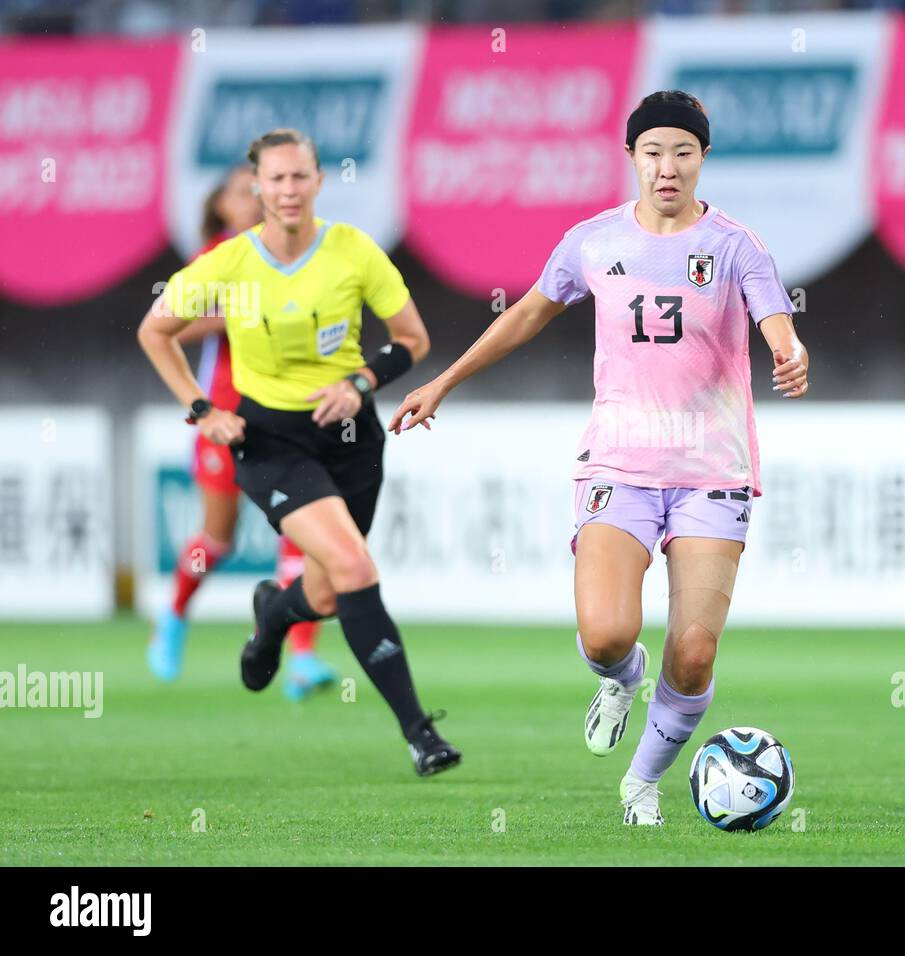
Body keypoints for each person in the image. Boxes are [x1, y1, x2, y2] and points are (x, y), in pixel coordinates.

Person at [390, 91, 808, 821]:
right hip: (620, 467)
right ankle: (621, 678)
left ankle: (641, 783)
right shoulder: (594, 241)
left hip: (712, 474)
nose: (668, 167)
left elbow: (775, 315)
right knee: (608, 633)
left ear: (702, 158)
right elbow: (526, 313)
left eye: (683, 151)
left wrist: (789, 349)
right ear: (632, 158)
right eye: (654, 152)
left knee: (697, 654)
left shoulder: (737, 245)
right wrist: (446, 381)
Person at [138, 128, 460, 775]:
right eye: (275, 179)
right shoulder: (229, 261)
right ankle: (421, 735)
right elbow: (156, 330)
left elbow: (412, 339)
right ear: (257, 187)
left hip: (351, 439)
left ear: (318, 181)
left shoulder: (352, 250)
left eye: (299, 177)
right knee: (355, 567)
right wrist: (204, 411)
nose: (287, 190)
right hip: (270, 441)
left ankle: (275, 619)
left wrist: (362, 381)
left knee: (330, 585)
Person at [149, 165, 337, 700]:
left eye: (261, 189)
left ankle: (301, 657)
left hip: (286, 416)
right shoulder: (215, 259)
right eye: (242, 191)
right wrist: (241, 310)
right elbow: (174, 326)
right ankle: (174, 615)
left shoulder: (293, 251)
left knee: (303, 534)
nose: (256, 198)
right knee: (217, 540)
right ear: (221, 207)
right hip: (226, 418)